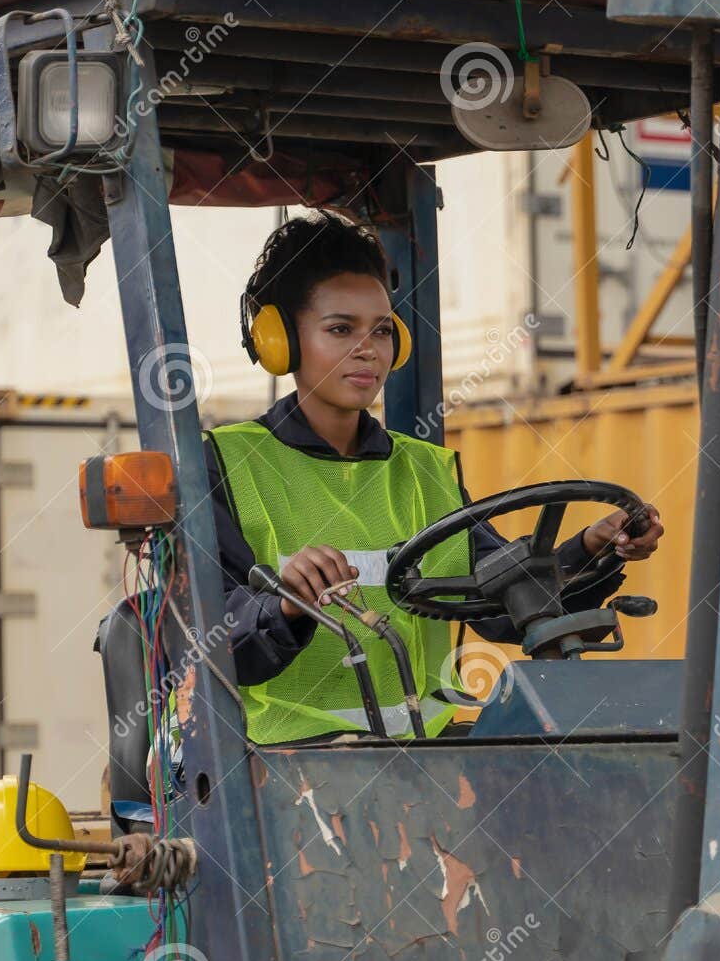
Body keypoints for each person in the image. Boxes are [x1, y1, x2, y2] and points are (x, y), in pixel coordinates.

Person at [205, 211, 664, 743]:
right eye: (340, 329)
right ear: (279, 340)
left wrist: (591, 548)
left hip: (431, 757)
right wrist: (285, 605)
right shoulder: (227, 465)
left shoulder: (427, 469)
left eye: (381, 330)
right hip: (286, 766)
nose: (367, 349)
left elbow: (502, 602)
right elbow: (208, 640)